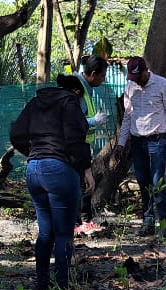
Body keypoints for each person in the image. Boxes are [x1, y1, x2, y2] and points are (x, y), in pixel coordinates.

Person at [10, 74, 93, 290]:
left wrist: (34, 153)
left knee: (46, 232)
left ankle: (41, 285)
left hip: (33, 170)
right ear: (76, 92)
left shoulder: (36, 102)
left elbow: (16, 133)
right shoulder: (70, 103)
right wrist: (86, 169)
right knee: (64, 233)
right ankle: (62, 287)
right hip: (59, 170)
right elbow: (76, 140)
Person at [112, 56, 166, 239]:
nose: (135, 81)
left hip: (157, 141)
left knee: (157, 183)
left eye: (138, 76)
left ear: (146, 71)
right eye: (132, 77)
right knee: (143, 183)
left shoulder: (162, 85)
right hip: (137, 143)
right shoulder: (130, 87)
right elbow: (127, 117)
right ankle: (147, 222)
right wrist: (121, 143)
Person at [71, 56, 109, 236]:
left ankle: (83, 220)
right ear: (92, 74)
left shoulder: (86, 88)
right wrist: (95, 120)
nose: (103, 80)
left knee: (84, 182)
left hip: (83, 144)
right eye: (102, 76)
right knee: (81, 184)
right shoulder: (77, 89)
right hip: (76, 145)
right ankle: (79, 222)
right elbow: (71, 121)